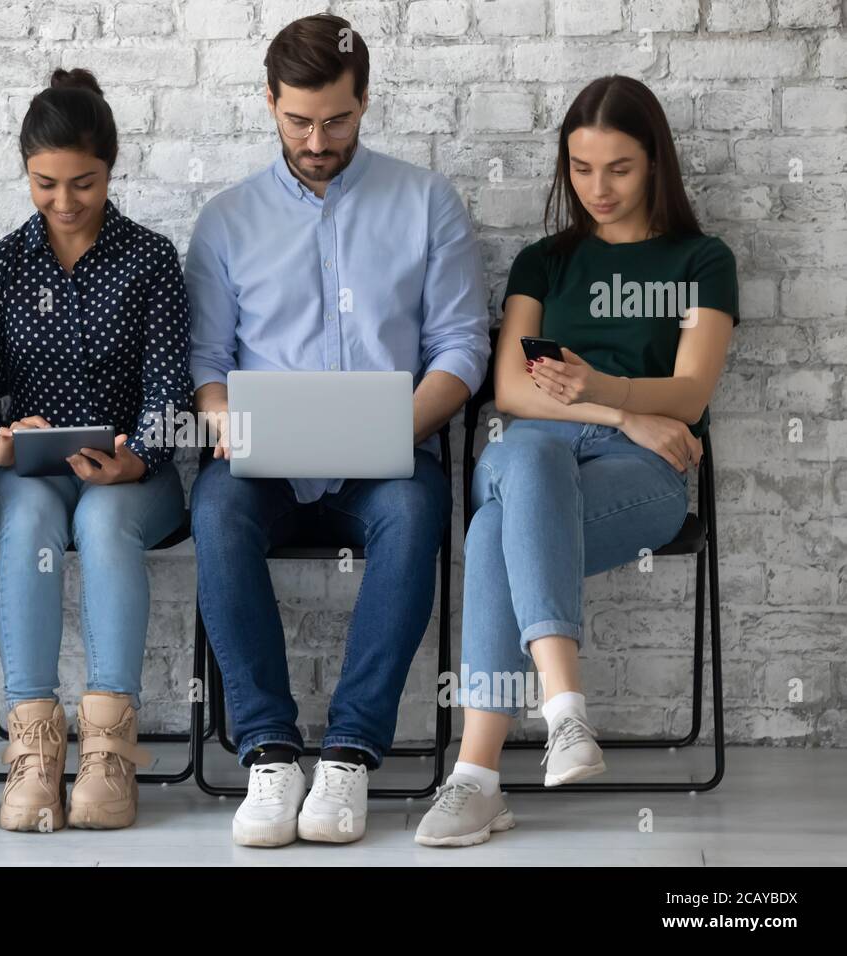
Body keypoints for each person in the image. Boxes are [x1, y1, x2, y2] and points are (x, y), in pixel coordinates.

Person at [185, 15, 490, 847]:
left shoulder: (427, 202)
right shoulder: (226, 221)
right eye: (298, 121)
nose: (318, 141)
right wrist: (221, 422)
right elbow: (206, 363)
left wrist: (392, 431)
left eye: (338, 120)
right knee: (215, 512)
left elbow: (463, 349)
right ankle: (270, 753)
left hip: (388, 458)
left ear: (365, 101)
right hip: (265, 465)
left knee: (415, 514)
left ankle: (351, 752)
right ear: (270, 103)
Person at [416, 75, 739, 848]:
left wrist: (611, 393)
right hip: (548, 444)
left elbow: (690, 394)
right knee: (526, 456)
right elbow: (509, 390)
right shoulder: (545, 260)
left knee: (494, 534)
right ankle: (564, 710)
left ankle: (477, 780)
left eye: (619, 168)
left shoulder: (701, 260)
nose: (597, 188)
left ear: (656, 163)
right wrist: (620, 408)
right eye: (581, 168)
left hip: (644, 473)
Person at [0, 69, 192, 832]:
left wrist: (138, 456)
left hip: (131, 476)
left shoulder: (150, 259)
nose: (64, 202)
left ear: (112, 168)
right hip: (29, 476)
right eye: (45, 183)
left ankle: (108, 753)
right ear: (26, 172)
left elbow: (171, 395)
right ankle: (31, 751)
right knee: (27, 520)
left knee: (102, 520)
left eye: (83, 183)